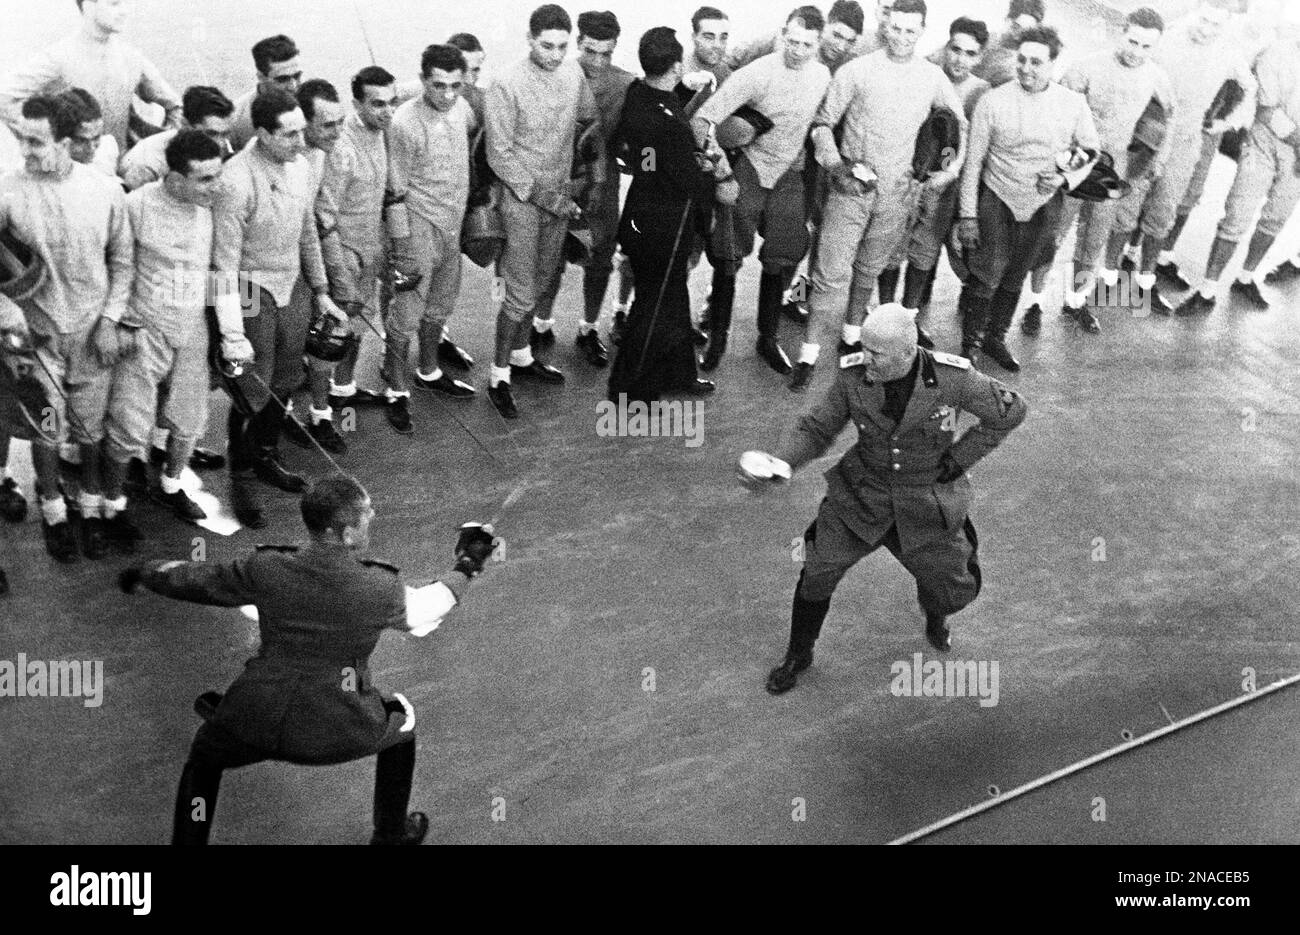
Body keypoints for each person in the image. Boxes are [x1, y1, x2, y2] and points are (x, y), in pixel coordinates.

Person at [118, 475, 500, 845]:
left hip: (254, 717)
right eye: (366, 514)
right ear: (347, 534)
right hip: (340, 726)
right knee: (402, 727)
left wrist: (147, 572)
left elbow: (194, 580)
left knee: (203, 760)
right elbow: (429, 607)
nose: (372, 519)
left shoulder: (265, 567)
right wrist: (468, 563)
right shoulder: (379, 587)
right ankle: (391, 834)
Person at [739, 304, 1027, 695]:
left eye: (877, 353)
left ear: (908, 353)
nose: (866, 358)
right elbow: (819, 427)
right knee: (818, 570)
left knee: (951, 588)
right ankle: (799, 652)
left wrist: (960, 459)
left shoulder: (954, 379)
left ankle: (935, 612)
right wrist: (782, 460)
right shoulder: (853, 377)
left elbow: (1011, 412)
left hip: (926, 500)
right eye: (865, 348)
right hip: (862, 496)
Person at [798, 0, 966, 391]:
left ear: (922, 31)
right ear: (885, 25)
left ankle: (852, 336)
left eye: (911, 31)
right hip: (852, 190)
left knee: (869, 270)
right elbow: (823, 124)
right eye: (896, 28)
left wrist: (947, 170)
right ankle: (808, 353)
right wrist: (837, 168)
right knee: (830, 274)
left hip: (898, 193)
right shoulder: (858, 70)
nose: (902, 38)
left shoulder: (932, 76)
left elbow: (956, 124)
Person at [0, 94, 134, 561]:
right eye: (21, 140)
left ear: (64, 141)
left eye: (36, 142)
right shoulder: (7, 192)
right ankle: (54, 510)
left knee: (91, 430)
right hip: (37, 340)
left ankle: (92, 510)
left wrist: (111, 321)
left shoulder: (105, 190)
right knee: (48, 428)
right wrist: (8, 311)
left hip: (92, 332)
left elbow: (122, 261)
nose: (26, 151)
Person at [210, 87, 344, 529]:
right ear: (263, 134)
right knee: (252, 383)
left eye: (302, 131)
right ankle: (240, 476)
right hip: (250, 287)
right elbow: (224, 266)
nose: (300, 142)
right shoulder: (234, 179)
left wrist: (321, 289)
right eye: (288, 135)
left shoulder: (301, 166)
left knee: (287, 376)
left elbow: (307, 231)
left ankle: (265, 456)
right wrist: (231, 334)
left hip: (292, 284)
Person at [692, 5, 832, 376]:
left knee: (784, 254)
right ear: (782, 33)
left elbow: (818, 117)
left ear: (818, 43)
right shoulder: (757, 72)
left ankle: (767, 339)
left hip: (789, 173)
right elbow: (702, 119)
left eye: (807, 44)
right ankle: (717, 337)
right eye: (792, 40)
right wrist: (722, 172)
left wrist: (819, 141)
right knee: (727, 252)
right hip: (750, 169)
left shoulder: (822, 75)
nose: (797, 50)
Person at [956, 25, 1099, 371]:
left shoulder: (1072, 104)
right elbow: (972, 163)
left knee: (1016, 273)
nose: (1026, 69)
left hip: (1043, 204)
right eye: (1022, 60)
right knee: (987, 272)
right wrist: (968, 215)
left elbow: (1091, 150)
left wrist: (1065, 176)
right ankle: (970, 344)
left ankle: (995, 338)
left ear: (1053, 65)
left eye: (1036, 62)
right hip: (997, 196)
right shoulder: (992, 101)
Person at [607, 26, 735, 403]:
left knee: (673, 300)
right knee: (652, 307)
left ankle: (680, 372)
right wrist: (714, 170)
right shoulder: (670, 127)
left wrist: (684, 89)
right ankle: (629, 390)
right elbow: (688, 181)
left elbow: (660, 125)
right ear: (677, 64)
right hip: (667, 226)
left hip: (641, 212)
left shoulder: (638, 95)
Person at [102, 130, 223, 526]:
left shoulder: (209, 207)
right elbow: (114, 267)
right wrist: (117, 321)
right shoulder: (134, 206)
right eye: (205, 179)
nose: (214, 186)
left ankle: (172, 485)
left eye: (217, 175)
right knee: (128, 424)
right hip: (143, 327)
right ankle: (113, 506)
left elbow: (216, 271)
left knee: (190, 418)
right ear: (174, 179)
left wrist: (226, 329)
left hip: (190, 325)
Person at [484, 5, 598, 419]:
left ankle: (521, 356)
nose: (553, 54)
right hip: (520, 201)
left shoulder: (572, 74)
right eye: (546, 45)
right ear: (529, 40)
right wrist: (542, 195)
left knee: (545, 280)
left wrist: (588, 176)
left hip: (560, 198)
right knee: (518, 293)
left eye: (562, 47)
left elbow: (587, 124)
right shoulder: (505, 83)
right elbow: (499, 153)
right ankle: (498, 376)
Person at [1029, 7, 1174, 330]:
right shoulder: (1088, 67)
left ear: (1156, 47)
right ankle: (1035, 302)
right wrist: (1058, 163)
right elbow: (1054, 111)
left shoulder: (1156, 77)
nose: (1137, 52)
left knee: (1093, 241)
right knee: (1052, 236)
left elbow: (1169, 116)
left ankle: (1075, 301)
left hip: (1115, 168)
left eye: (1146, 46)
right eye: (1133, 42)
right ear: (1122, 33)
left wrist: (1157, 159)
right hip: (1075, 162)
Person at [1105, 0, 1250, 311]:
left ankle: (1144, 284)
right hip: (1148, 131)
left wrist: (1227, 121)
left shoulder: (1228, 51)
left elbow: (1249, 89)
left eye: (1217, 24)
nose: (1207, 29)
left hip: (1186, 139)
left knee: (1163, 212)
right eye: (1205, 19)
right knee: (1126, 207)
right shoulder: (1166, 36)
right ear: (1195, 10)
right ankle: (1107, 279)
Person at [528, 11, 636, 371]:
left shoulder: (626, 84)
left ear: (615, 48)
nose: (597, 61)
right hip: (557, 181)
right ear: (579, 44)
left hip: (602, 186)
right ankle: (541, 324)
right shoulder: (556, 73)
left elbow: (635, 142)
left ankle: (588, 328)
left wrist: (642, 162)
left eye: (606, 53)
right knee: (550, 259)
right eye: (591, 51)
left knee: (600, 261)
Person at [1175, 13, 1300, 314]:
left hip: (1296, 156)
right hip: (1264, 144)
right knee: (1237, 215)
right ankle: (1207, 288)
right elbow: (1267, 109)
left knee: (1276, 217)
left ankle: (1246, 278)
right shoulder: (1279, 52)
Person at [384, 45, 479, 435]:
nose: (448, 94)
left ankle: (428, 370)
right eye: (438, 86)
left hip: (451, 226)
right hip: (418, 224)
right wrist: (403, 248)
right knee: (406, 312)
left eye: (456, 85)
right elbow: (394, 192)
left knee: (440, 304)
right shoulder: (404, 124)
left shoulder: (462, 109)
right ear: (423, 81)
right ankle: (395, 389)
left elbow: (472, 140)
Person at [884, 16, 990, 318]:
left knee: (925, 252)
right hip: (909, 176)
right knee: (892, 247)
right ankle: (885, 313)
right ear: (946, 47)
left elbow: (974, 144)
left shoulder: (982, 91)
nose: (960, 59)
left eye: (970, 54)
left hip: (946, 186)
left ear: (980, 57)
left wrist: (952, 175)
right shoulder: (924, 72)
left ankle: (909, 318)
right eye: (956, 49)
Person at [316, 66, 399, 424]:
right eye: (378, 103)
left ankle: (344, 390)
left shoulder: (380, 130)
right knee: (331, 336)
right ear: (356, 104)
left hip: (371, 251)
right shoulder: (342, 149)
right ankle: (320, 412)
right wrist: (340, 272)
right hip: (345, 256)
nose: (388, 111)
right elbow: (324, 214)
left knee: (358, 329)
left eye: (392, 102)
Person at [0, 0, 182, 152]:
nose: (124, 12)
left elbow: (175, 105)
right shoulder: (58, 58)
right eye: (114, 4)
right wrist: (40, 137)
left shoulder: (131, 58)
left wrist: (164, 149)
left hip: (118, 176)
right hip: (69, 175)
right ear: (88, 6)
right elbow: (3, 97)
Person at [119, 85, 235, 191]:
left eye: (226, 134)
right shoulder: (148, 166)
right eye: (211, 134)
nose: (221, 144)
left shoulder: (210, 147)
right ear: (185, 125)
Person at [726, 0, 867, 75]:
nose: (841, 47)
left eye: (850, 41)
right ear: (825, 25)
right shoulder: (784, 39)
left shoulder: (847, 64)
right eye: (837, 36)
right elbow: (731, 61)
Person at [227, 35, 304, 152]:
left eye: (297, 76)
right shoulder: (235, 118)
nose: (293, 86)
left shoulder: (313, 103)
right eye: (282, 79)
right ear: (261, 77)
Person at [972, 0, 1046, 89]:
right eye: (1016, 27)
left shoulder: (1021, 64)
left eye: (1026, 31)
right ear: (1007, 19)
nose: (1018, 36)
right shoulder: (985, 38)